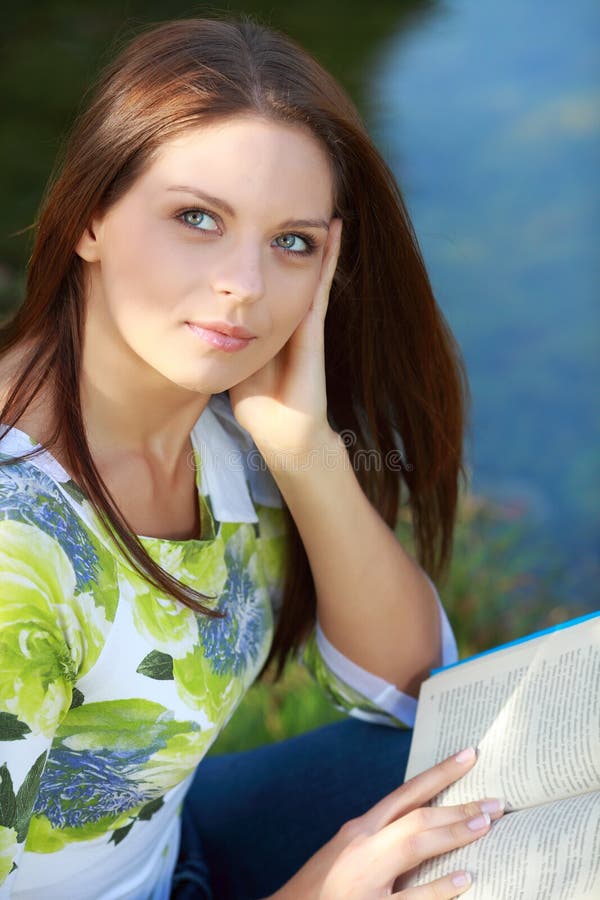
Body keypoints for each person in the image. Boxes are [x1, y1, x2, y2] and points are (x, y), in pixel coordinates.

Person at [0, 15, 504, 900]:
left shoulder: (228, 421)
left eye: (292, 242)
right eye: (198, 218)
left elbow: (411, 693)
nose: (246, 285)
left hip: (174, 850)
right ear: (88, 216)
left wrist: (303, 450)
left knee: (494, 773)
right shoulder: (15, 555)